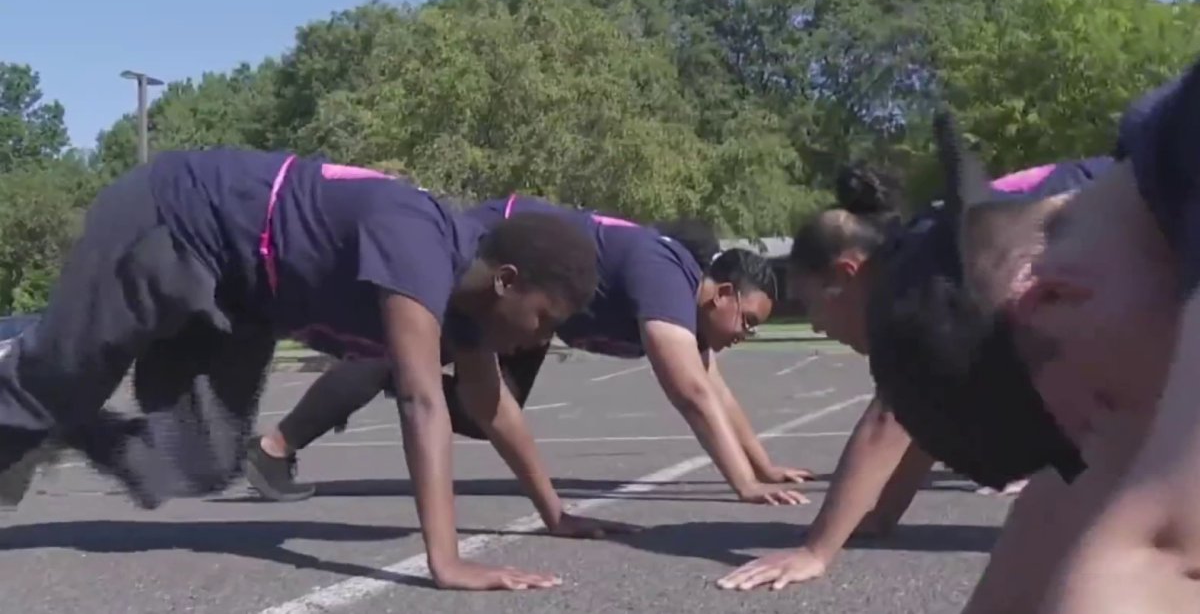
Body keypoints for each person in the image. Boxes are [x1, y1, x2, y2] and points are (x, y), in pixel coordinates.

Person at [0, 149, 603, 592]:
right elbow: (422, 400)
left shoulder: (472, 306)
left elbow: (492, 408)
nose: (542, 337)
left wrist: (555, 514)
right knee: (53, 385)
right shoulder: (419, 243)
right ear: (507, 282)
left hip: (241, 299)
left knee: (201, 463)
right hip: (172, 220)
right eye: (545, 319)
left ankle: (60, 423)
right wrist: (446, 562)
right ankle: (34, 395)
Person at [859, 75, 1200, 614]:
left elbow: (1166, 562)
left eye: (1104, 410)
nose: (1137, 431)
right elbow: (1072, 496)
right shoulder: (1159, 168)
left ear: (1052, 296)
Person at [245, 195, 811, 509]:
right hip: (506, 269)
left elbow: (713, 387)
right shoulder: (666, 276)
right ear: (725, 293)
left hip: (541, 310)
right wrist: (744, 487)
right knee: (396, 351)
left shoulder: (687, 308)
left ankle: (404, 381)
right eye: (749, 322)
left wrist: (764, 467)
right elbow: (689, 392)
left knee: (483, 407)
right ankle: (273, 448)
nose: (747, 334)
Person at [717, 156, 1111, 592]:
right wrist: (881, 516)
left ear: (847, 273)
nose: (814, 325)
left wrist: (817, 550)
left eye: (811, 304)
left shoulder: (912, 282)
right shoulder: (924, 253)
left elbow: (887, 420)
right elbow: (924, 414)